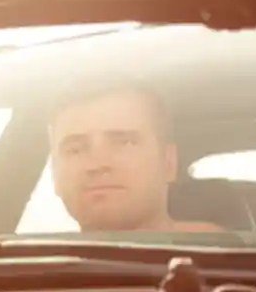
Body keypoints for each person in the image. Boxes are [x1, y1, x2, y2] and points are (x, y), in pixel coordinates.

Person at [47, 82, 222, 233]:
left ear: (168, 163)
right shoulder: (29, 266)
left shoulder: (231, 264)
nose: (97, 164)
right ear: (54, 175)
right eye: (75, 150)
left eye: (124, 143)